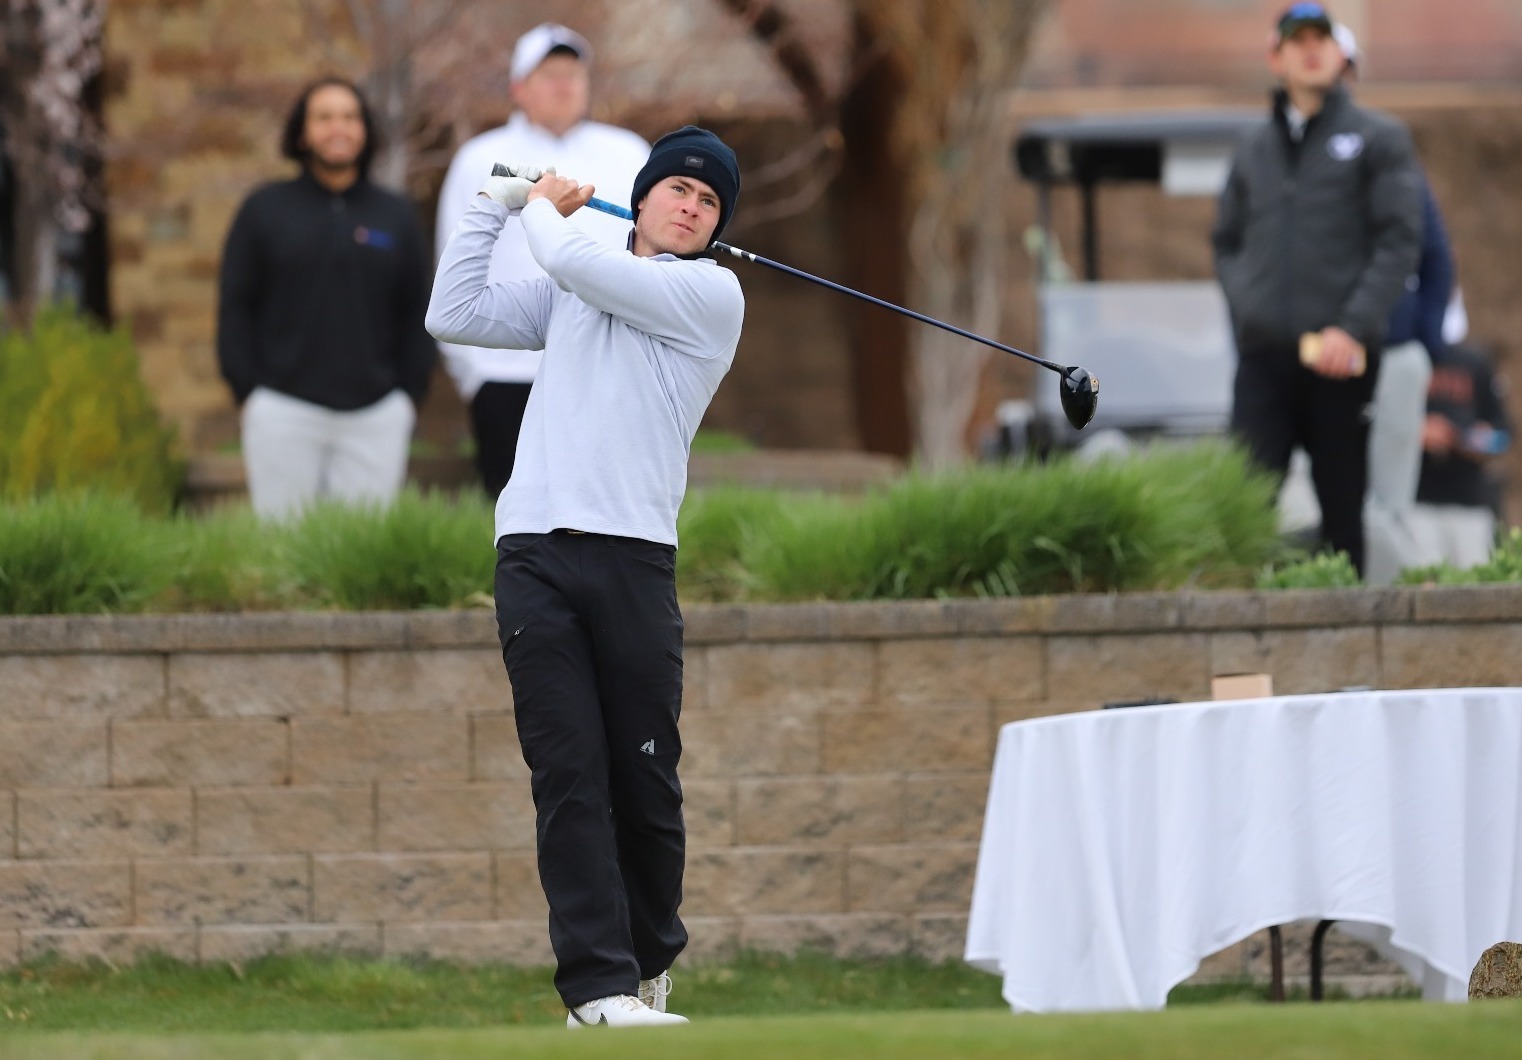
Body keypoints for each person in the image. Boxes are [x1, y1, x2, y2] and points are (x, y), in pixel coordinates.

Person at [426, 126, 743, 1028]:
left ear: (714, 229)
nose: (689, 205)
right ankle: (597, 990)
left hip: (635, 557)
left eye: (708, 201)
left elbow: (577, 261)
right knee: (567, 774)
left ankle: (648, 969)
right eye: (677, 188)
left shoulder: (709, 294)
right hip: (536, 554)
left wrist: (534, 205)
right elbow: (453, 312)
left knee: (645, 782)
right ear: (639, 199)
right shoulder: (574, 286)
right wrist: (490, 207)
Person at [1213, 2, 1424, 577]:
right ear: (1275, 57)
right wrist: (1248, 309)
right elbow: (1226, 241)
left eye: (1322, 39)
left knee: (1341, 517)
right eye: (1297, 40)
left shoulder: (1378, 139)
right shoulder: (1252, 146)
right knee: (1243, 509)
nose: (1311, 49)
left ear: (1340, 53)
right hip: (1265, 361)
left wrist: (1350, 329)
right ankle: (1238, 643)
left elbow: (1399, 242)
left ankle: (1348, 653)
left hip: (1341, 363)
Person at [434, 23, 651, 498]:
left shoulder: (629, 152)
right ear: (519, 87)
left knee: (607, 512)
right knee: (515, 519)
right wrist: (475, 376)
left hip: (608, 369)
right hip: (506, 373)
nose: (565, 84)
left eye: (573, 73)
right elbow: (451, 262)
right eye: (549, 73)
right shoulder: (481, 157)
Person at [217, 76, 435, 520]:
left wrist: (406, 396)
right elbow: (235, 307)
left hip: (376, 415)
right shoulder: (264, 210)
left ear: (365, 130)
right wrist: (249, 391)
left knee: (361, 561)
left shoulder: (395, 215)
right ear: (302, 132)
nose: (339, 127)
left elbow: (420, 310)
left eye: (350, 117)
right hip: (282, 410)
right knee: (283, 557)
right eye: (325, 117)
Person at [1331, 22, 1455, 585]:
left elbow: (1434, 255)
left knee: (1387, 502)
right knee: (1325, 499)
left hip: (1394, 350)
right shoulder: (1295, 164)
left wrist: (1421, 339)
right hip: (1321, 359)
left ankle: (1389, 607)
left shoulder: (1386, 153)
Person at [1411, 343, 1511, 568]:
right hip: (1416, 503)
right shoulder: (1402, 356)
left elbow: (1502, 436)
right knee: (1425, 579)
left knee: (1476, 580)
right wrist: (1414, 432)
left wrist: (1465, 438)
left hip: (1470, 502)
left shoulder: (1474, 360)